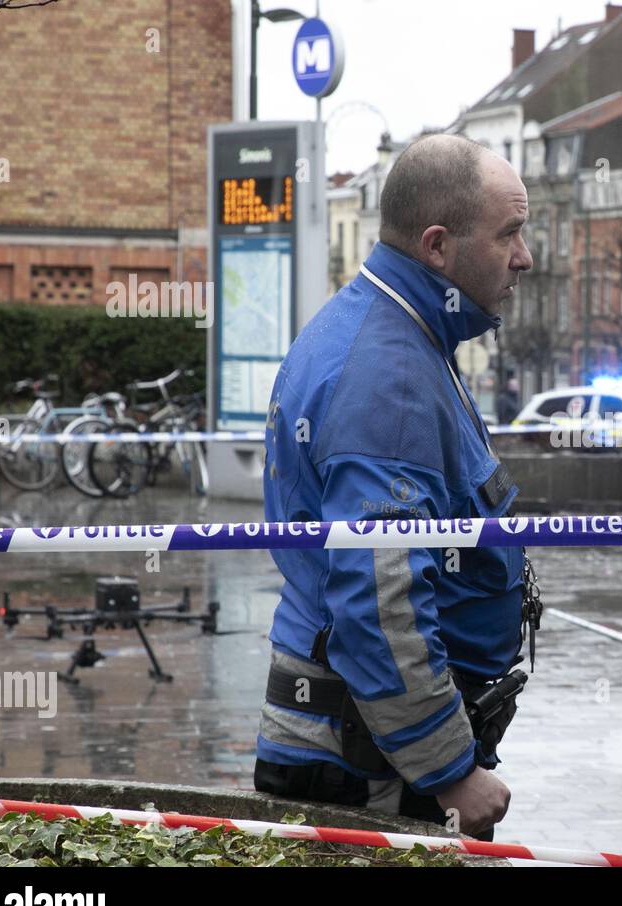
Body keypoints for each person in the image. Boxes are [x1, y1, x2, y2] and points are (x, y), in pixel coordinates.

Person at [254, 134, 534, 840]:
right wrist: (450, 772)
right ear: (438, 247)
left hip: (365, 747)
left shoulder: (393, 332)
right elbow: (381, 604)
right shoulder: (390, 378)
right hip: (369, 768)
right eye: (510, 235)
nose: (525, 257)